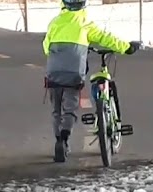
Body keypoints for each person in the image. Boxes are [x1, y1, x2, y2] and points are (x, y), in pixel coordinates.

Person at [42, 0, 141, 163]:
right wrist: (127, 47)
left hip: (54, 73)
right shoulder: (85, 23)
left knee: (56, 110)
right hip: (73, 74)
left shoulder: (55, 23)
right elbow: (106, 38)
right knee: (69, 109)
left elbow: (46, 48)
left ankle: (59, 141)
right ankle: (65, 139)